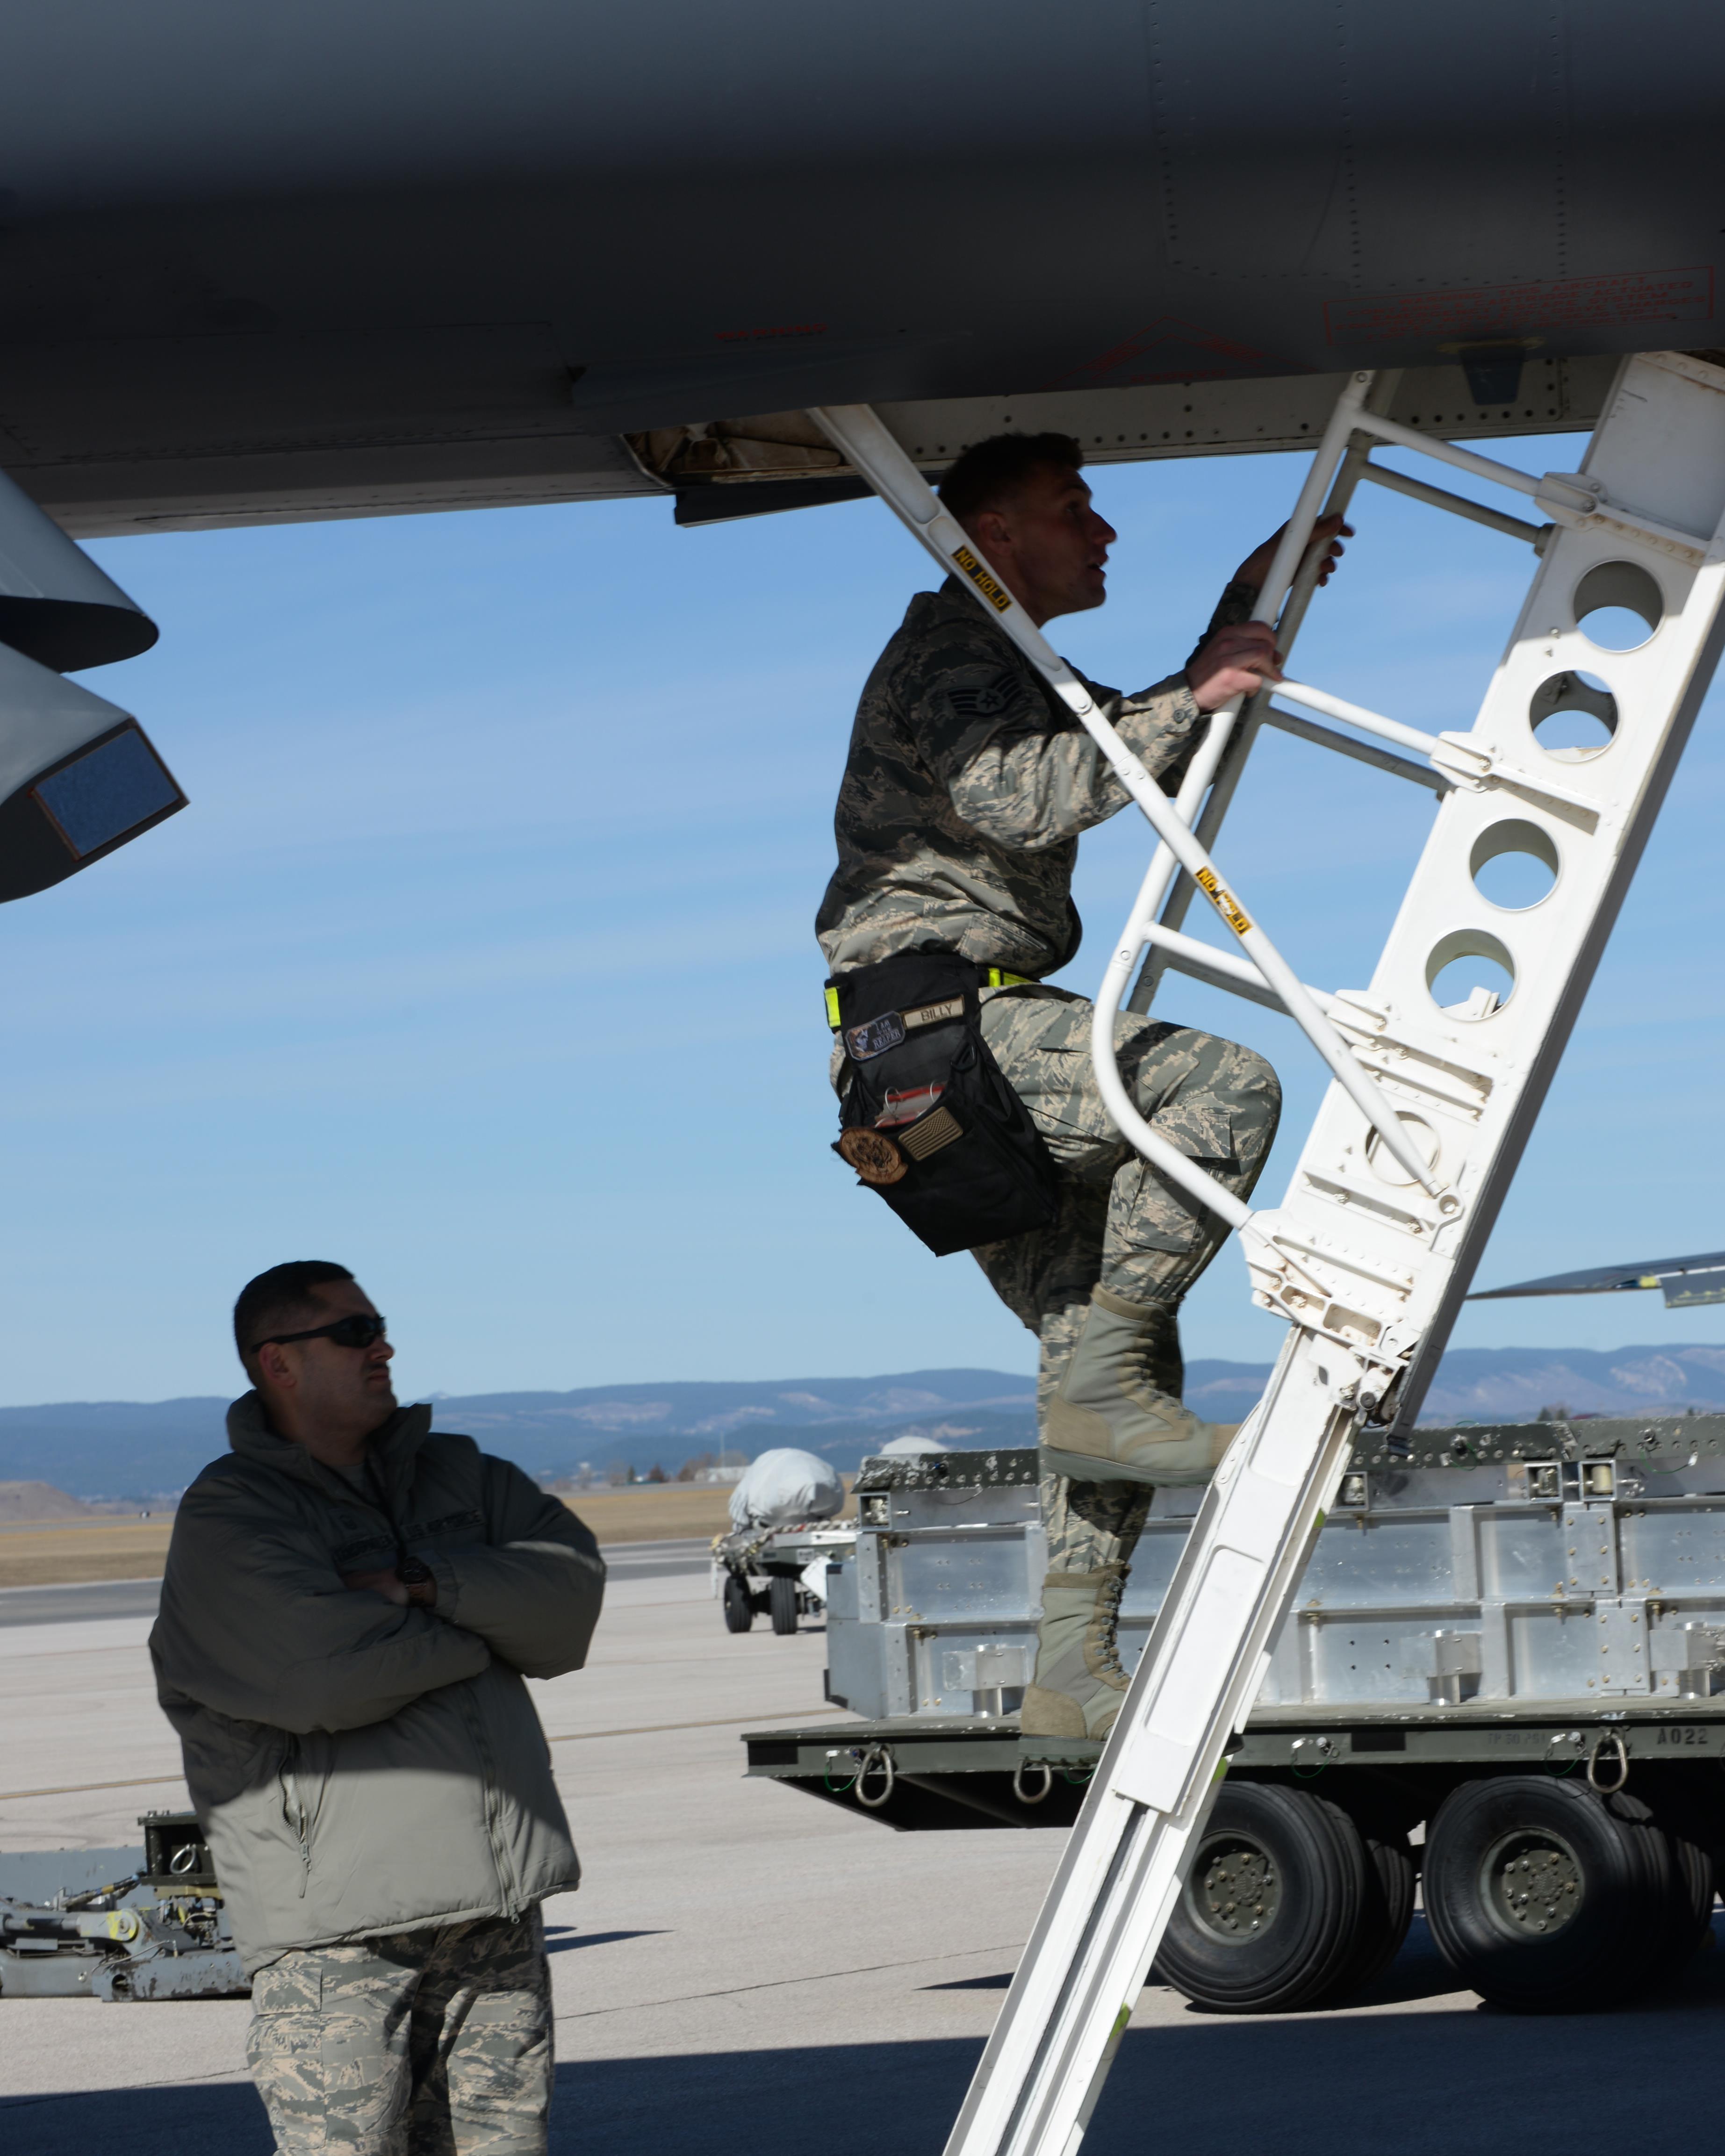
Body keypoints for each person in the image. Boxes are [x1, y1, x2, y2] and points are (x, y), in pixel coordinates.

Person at [817, 433, 1345, 1744]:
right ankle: (1105, 1395)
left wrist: (1232, 626)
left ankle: (1070, 1663)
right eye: (1074, 510)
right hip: (944, 1031)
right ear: (992, 534)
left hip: (933, 1060)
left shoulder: (1006, 660)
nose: (1102, 533)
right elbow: (1028, 789)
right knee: (1223, 1086)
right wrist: (1197, 682)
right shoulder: (952, 648)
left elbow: (1136, 748)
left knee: (1098, 1365)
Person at [150, 1261, 605, 2156]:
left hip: (494, 1915)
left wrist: (419, 1584)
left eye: (379, 1326)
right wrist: (482, 1626)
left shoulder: (464, 1476)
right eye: (354, 1331)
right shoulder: (233, 1514)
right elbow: (320, 1678)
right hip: (338, 1935)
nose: (383, 1346)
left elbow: (566, 1611)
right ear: (277, 1362)